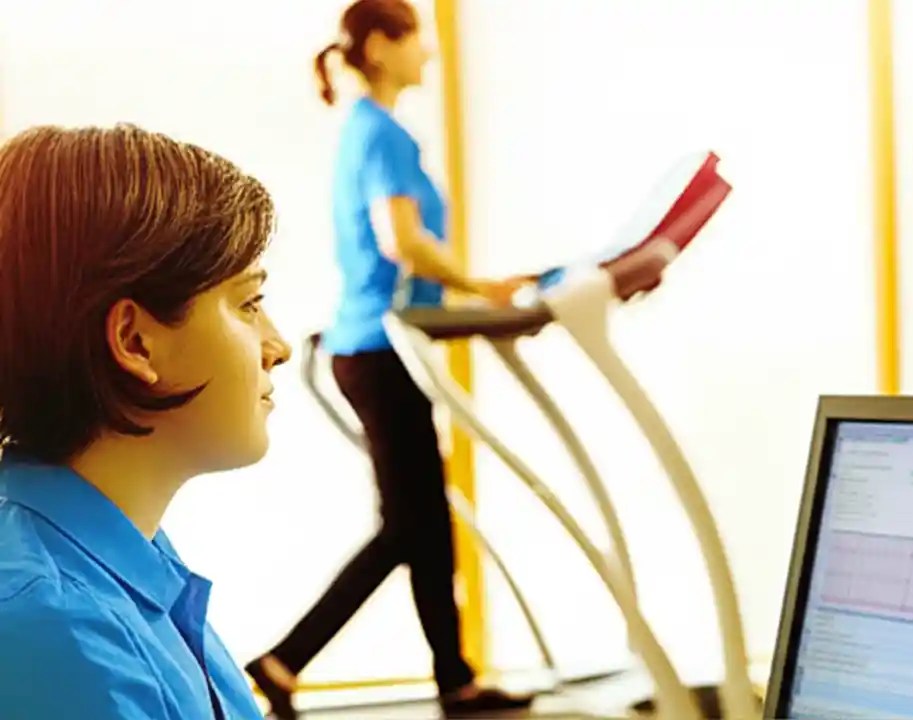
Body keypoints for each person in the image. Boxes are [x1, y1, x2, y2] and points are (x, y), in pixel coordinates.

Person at [243, 1, 533, 718]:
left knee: (426, 523)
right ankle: (283, 661)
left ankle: (455, 680)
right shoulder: (383, 135)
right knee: (411, 525)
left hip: (381, 346)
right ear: (380, 45)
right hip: (380, 351)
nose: (429, 56)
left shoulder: (365, 132)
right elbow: (403, 241)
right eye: (417, 41)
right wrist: (481, 287)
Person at [0, 124, 292, 718]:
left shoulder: (127, 557)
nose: (277, 345)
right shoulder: (55, 633)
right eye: (248, 305)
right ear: (135, 341)